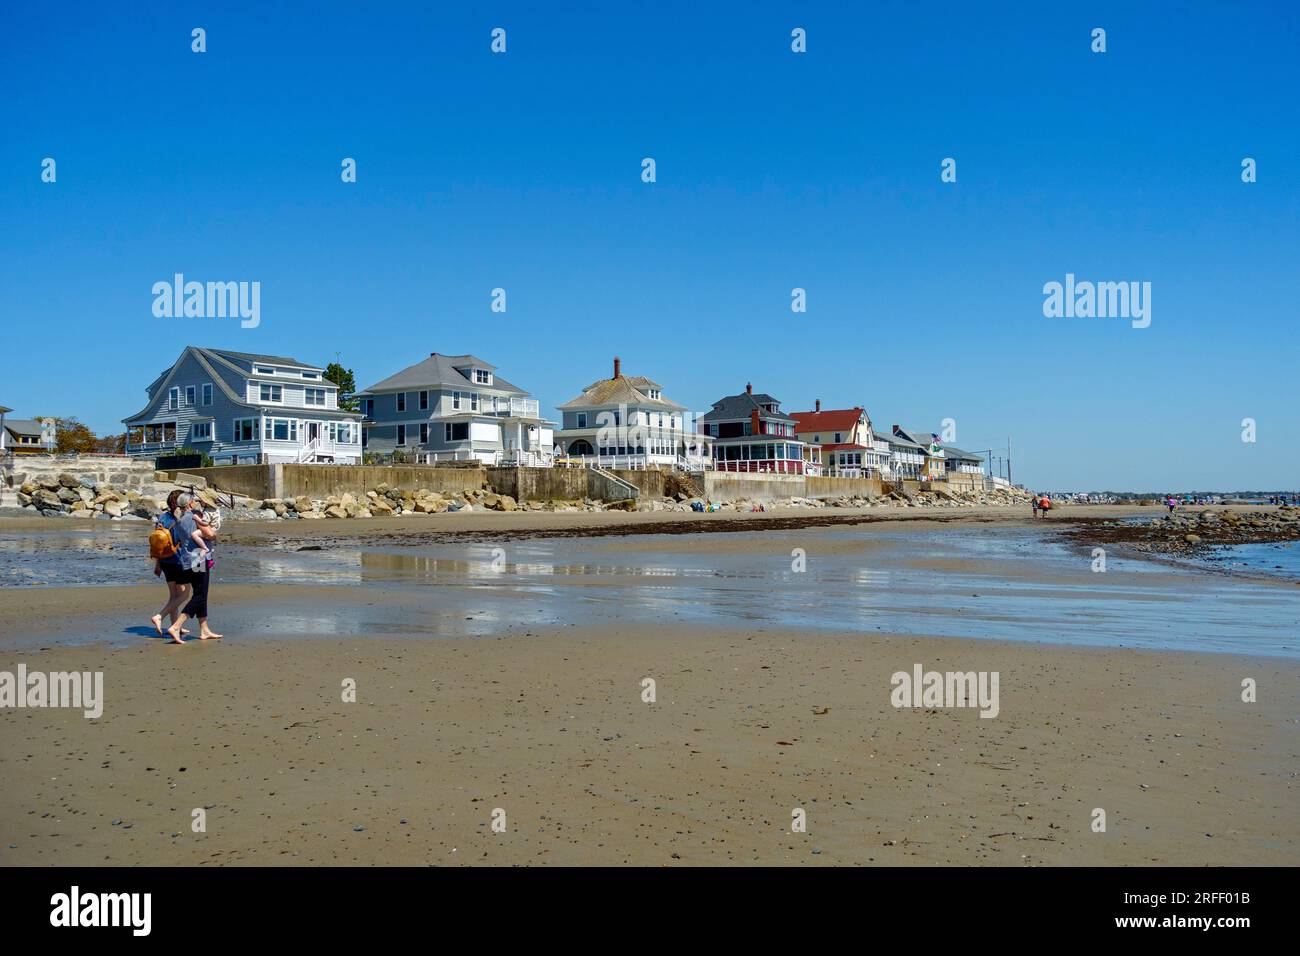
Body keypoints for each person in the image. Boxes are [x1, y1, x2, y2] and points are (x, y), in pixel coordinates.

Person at [164, 494, 212, 644]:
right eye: (195, 501)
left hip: (187, 559)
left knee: (200, 593)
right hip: (199, 558)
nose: (197, 503)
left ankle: (204, 630)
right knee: (200, 595)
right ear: (190, 503)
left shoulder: (179, 519)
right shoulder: (194, 516)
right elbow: (210, 534)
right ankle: (176, 626)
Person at [150, 490, 192, 637]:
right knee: (185, 594)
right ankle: (160, 616)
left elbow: (157, 543)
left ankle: (175, 627)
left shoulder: (162, 517)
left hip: (164, 560)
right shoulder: (180, 519)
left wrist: (157, 564)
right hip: (178, 560)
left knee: (173, 596)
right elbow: (184, 540)